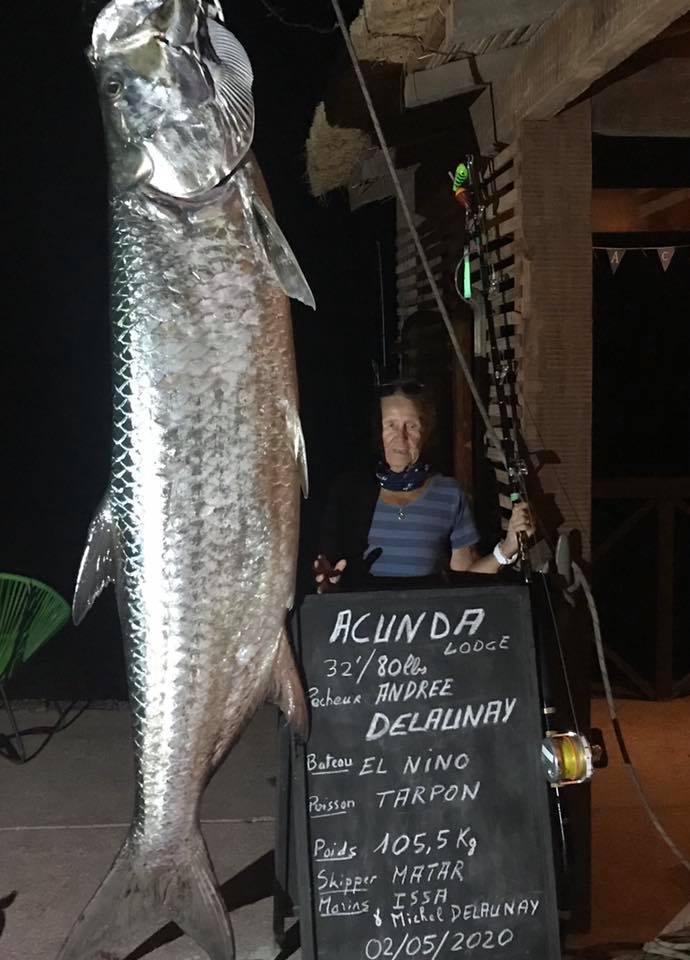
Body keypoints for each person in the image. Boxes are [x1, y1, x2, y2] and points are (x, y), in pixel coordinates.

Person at [313, 380, 533, 592]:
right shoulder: (348, 492)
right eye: (390, 425)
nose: (401, 437)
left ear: (426, 431)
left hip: (430, 617)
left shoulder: (449, 493)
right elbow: (327, 569)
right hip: (363, 616)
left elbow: (466, 580)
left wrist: (508, 548)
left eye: (412, 426)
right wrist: (328, 583)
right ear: (377, 431)